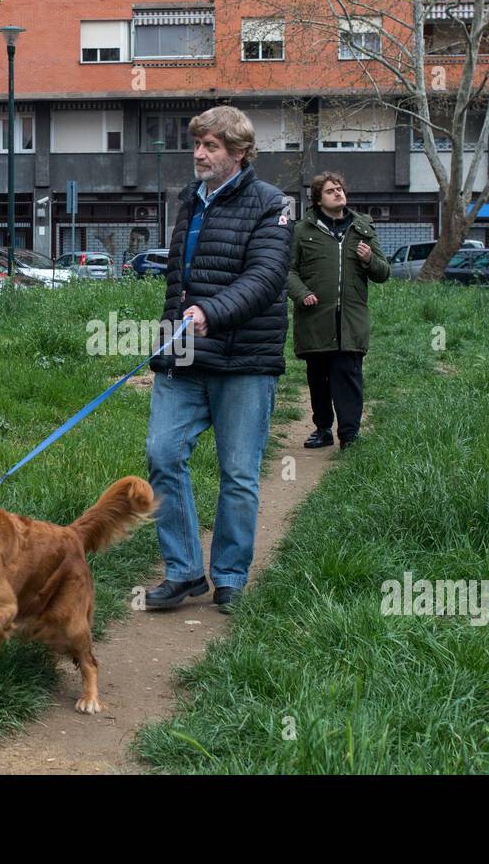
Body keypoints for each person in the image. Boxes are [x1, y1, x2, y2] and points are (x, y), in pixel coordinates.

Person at [143, 106, 292, 613]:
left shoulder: (273, 205)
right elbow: (178, 280)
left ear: (239, 152)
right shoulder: (189, 201)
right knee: (163, 455)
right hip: (183, 354)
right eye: (197, 144)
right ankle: (184, 572)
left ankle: (230, 575)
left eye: (210, 146)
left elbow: (267, 277)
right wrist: (167, 344)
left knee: (239, 474)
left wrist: (212, 312)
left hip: (244, 359)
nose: (198, 154)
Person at [287, 171, 389, 450]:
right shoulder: (301, 230)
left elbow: (383, 272)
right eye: (331, 190)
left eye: (340, 189)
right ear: (318, 200)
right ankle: (323, 429)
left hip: (351, 319)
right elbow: (288, 270)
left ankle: (350, 434)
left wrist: (369, 260)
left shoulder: (362, 227)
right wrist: (302, 294)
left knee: (348, 375)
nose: (338, 193)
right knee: (318, 376)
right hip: (314, 317)